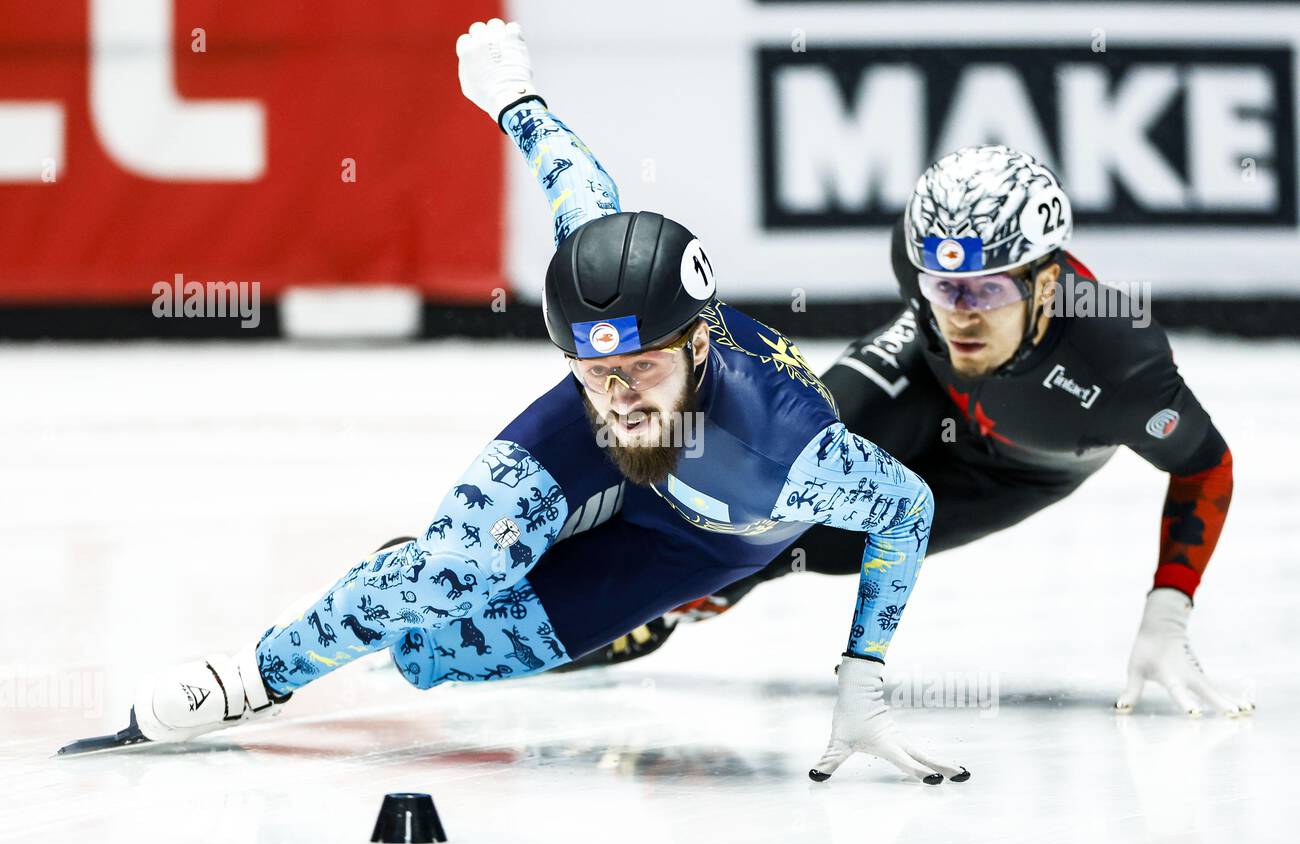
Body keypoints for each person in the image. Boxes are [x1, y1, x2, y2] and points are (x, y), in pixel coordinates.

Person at [77, 20, 967, 785]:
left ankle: (442, 584)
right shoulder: (614, 336)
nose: (618, 397)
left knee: (429, 656)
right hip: (589, 456)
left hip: (699, 546)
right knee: (448, 577)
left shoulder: (790, 451)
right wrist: (513, 96)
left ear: (699, 344)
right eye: (591, 368)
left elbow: (907, 507)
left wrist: (863, 676)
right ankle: (255, 677)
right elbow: (582, 191)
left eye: (642, 370)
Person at [578, 145, 1252, 719]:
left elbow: (1205, 465)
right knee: (790, 466)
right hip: (922, 378)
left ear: (1047, 286)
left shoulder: (1122, 365)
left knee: (822, 546)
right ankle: (612, 523)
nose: (960, 314)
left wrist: (1170, 606)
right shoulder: (918, 264)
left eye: (987, 291)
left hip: (1015, 470)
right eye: (943, 286)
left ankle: (672, 604)